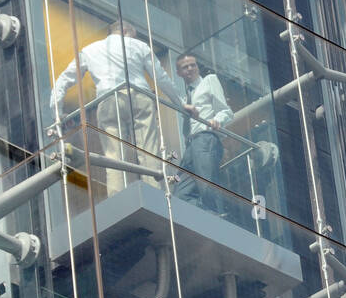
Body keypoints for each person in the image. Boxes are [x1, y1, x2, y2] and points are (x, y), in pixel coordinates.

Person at [50, 20, 191, 194]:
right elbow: (160, 77)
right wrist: (181, 103)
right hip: (139, 96)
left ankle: (117, 197)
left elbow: (64, 79)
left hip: (108, 99)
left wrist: (56, 110)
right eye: (133, 34)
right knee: (148, 149)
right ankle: (154, 192)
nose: (133, 38)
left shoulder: (90, 50)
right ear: (127, 31)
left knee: (114, 155)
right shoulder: (139, 45)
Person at [172, 53, 232, 211]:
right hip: (191, 146)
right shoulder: (186, 97)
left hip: (206, 138)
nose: (190, 68)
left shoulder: (209, 81)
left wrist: (217, 119)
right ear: (178, 73)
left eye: (193, 65)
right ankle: (205, 212)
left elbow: (226, 111)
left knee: (206, 183)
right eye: (185, 67)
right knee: (180, 194)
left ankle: (217, 215)